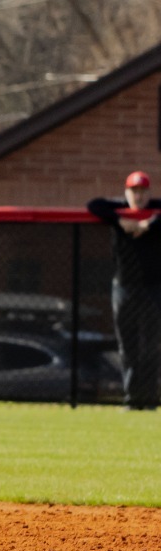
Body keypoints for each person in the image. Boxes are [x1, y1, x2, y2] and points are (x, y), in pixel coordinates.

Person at [87, 171, 161, 410]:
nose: (138, 197)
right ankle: (131, 398)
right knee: (127, 346)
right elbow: (93, 205)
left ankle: (148, 399)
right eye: (134, 191)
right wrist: (121, 221)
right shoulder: (117, 208)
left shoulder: (155, 209)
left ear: (149, 193)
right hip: (124, 288)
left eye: (142, 191)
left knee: (151, 345)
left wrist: (149, 224)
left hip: (153, 288)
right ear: (126, 192)